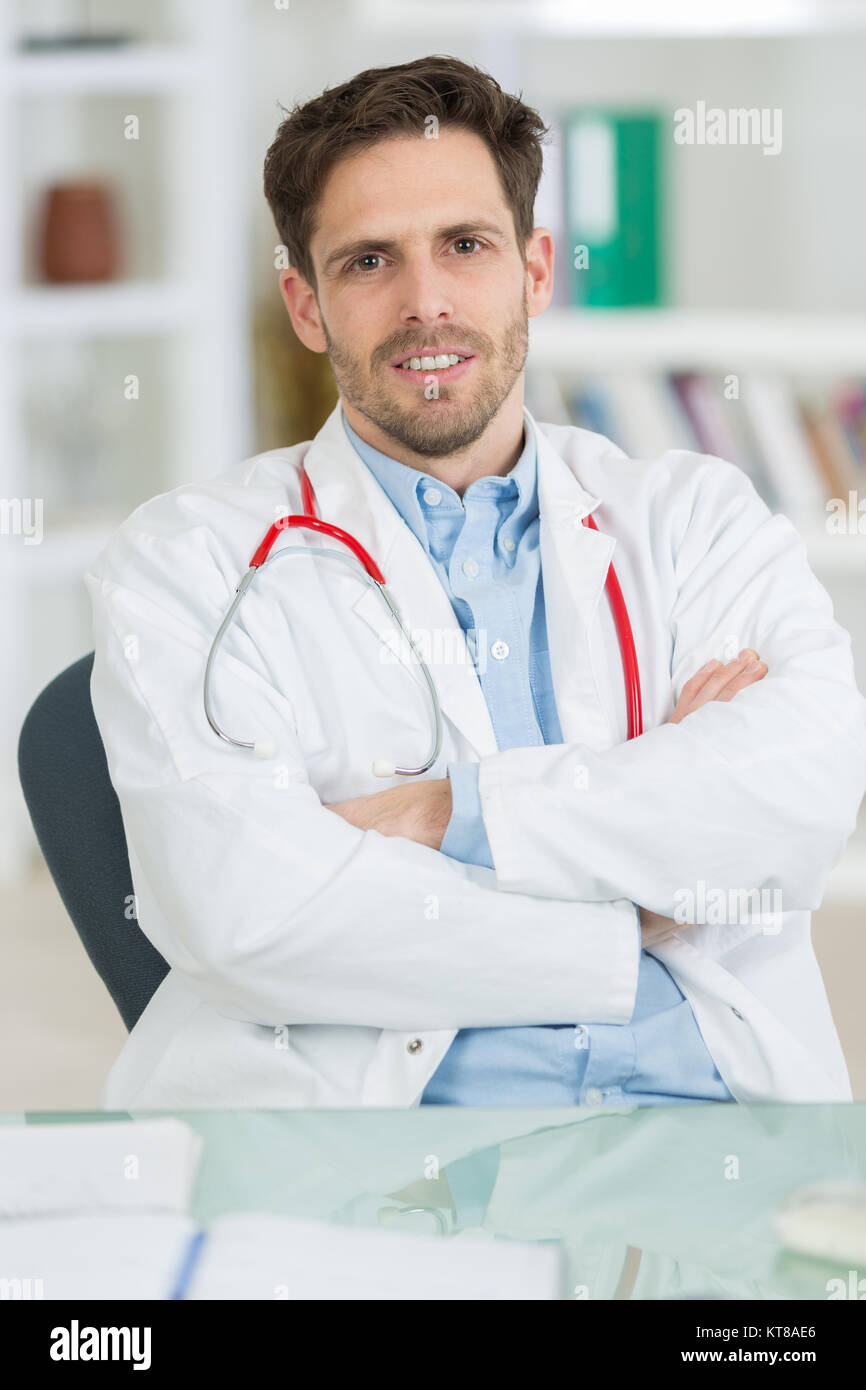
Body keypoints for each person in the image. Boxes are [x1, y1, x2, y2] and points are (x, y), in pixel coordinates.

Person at [86, 55, 866, 1111]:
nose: (426, 303)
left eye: (465, 245)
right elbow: (242, 918)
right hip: (384, 1162)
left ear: (534, 268)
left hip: (710, 1111)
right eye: (368, 262)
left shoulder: (694, 518)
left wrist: (437, 814)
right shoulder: (188, 561)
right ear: (305, 305)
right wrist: (623, 916)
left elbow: (799, 800)